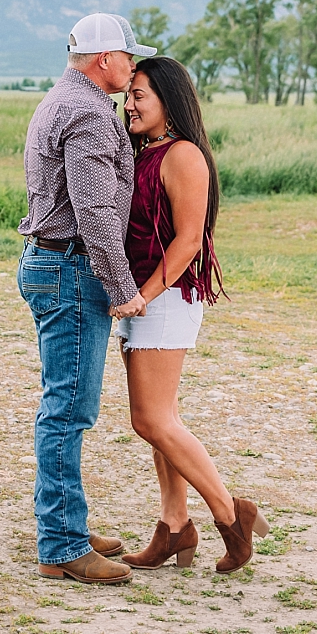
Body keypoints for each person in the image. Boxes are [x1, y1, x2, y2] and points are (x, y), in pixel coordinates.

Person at [114, 56, 269, 574]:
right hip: (142, 297)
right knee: (161, 422)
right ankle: (175, 527)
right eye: (129, 94)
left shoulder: (183, 156)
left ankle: (231, 516)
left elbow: (188, 240)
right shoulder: (146, 151)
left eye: (140, 96)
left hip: (166, 297)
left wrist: (146, 295)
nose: (129, 104)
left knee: (150, 419)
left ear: (169, 102)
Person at [17, 13, 154, 585]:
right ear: (105, 60)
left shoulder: (63, 99)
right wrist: (123, 290)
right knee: (68, 411)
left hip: (55, 262)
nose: (133, 67)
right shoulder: (90, 113)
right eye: (128, 57)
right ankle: (62, 544)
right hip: (73, 269)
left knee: (67, 407)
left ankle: (66, 522)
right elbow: (95, 211)